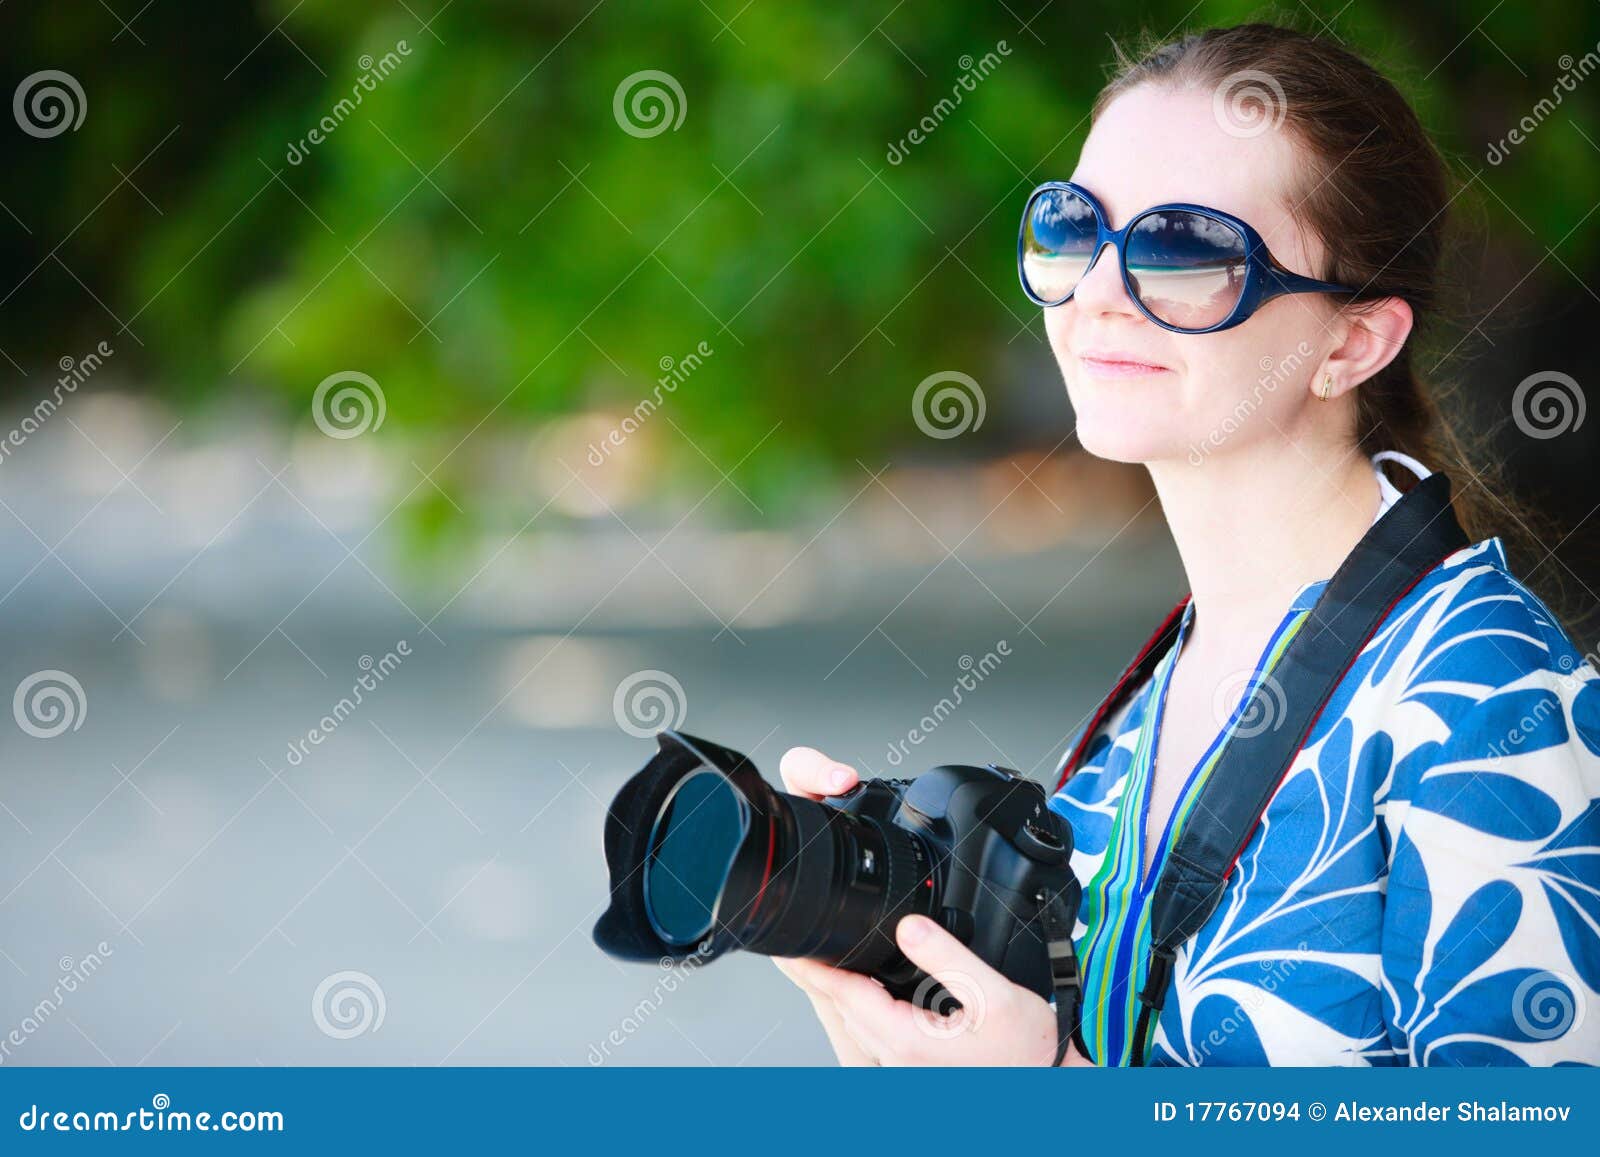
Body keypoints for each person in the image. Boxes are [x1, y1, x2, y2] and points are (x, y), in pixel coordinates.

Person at [773, 22, 1600, 1066]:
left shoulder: (1485, 692)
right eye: (1071, 230)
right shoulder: (1159, 692)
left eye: (1185, 248)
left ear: (1351, 342)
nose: (1099, 291)